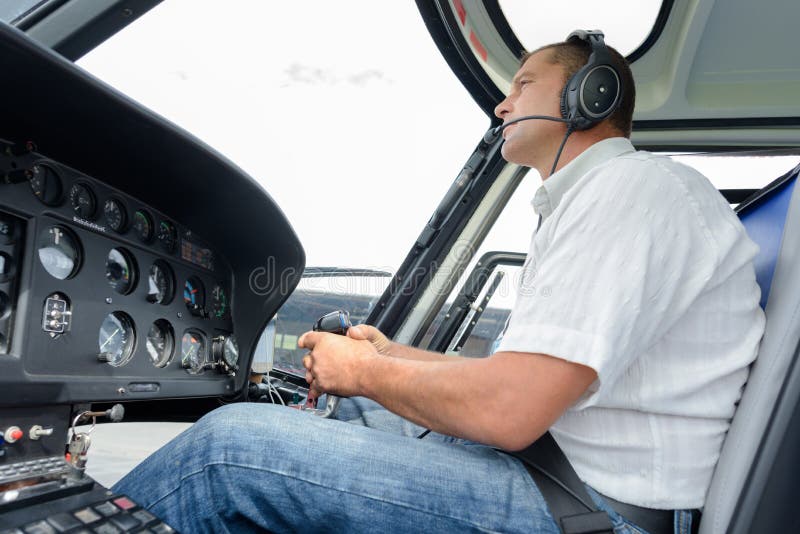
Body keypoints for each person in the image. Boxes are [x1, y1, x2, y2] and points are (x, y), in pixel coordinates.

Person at [113, 33, 765, 534]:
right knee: (366, 411)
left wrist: (360, 370)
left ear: (586, 97)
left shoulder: (633, 192)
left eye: (523, 82)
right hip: (564, 472)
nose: (502, 102)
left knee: (229, 451)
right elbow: (521, 381)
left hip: (595, 509)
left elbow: (509, 410)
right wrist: (389, 356)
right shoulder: (598, 201)